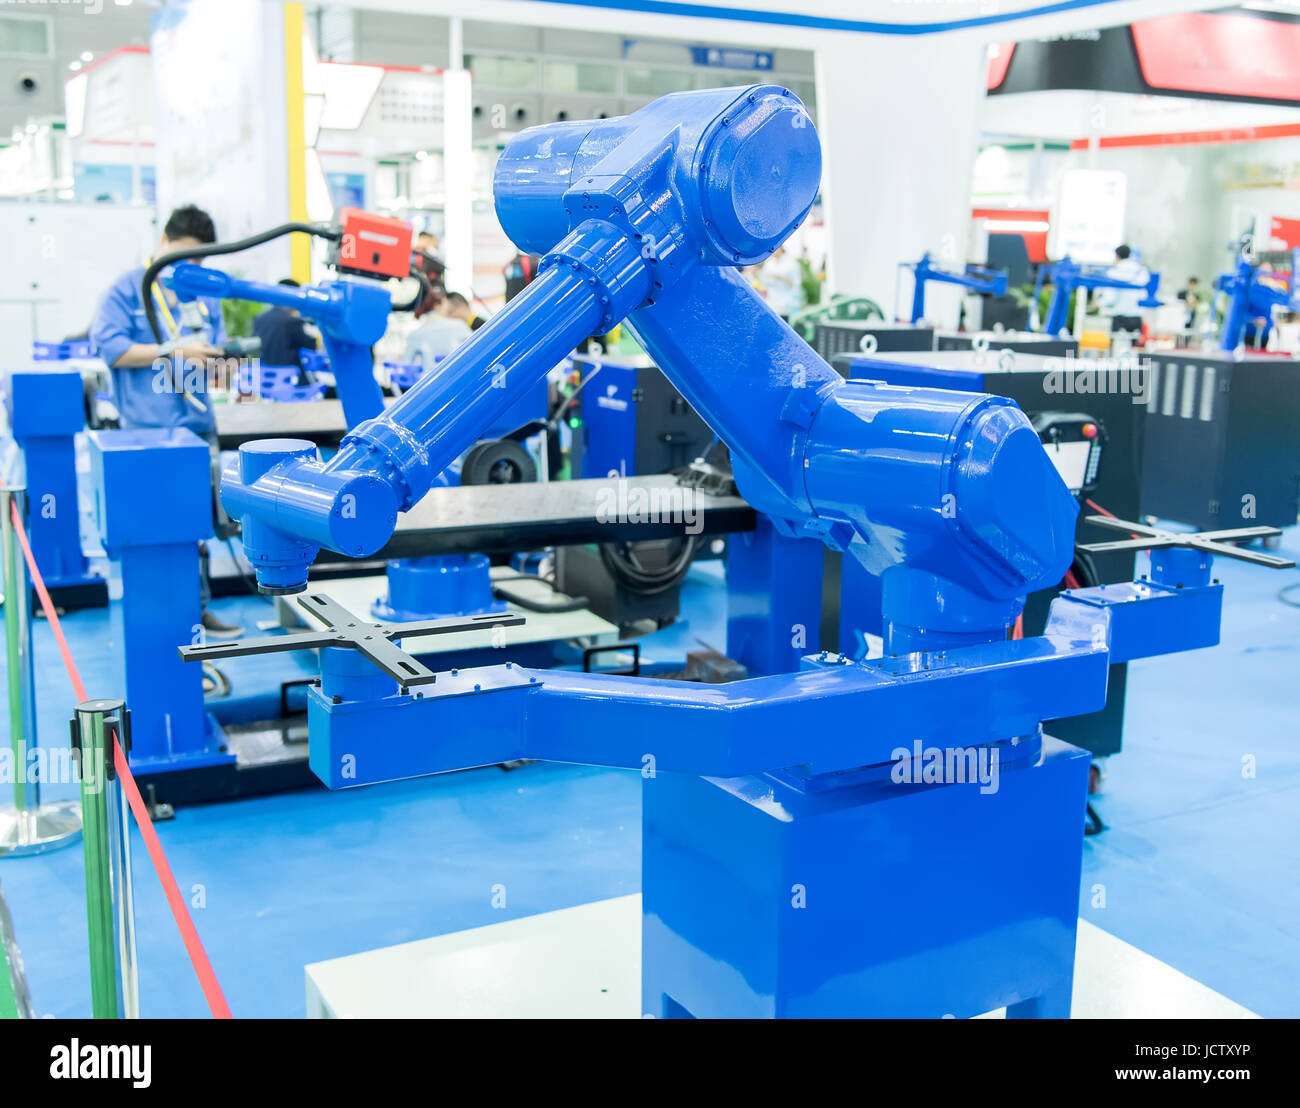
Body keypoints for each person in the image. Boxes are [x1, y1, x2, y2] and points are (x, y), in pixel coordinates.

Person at [88, 204, 243, 639]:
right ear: (164, 243)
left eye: (200, 260)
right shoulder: (126, 289)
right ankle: (164, 622)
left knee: (198, 525)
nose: (190, 267)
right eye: (184, 256)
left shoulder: (202, 294)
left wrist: (223, 367)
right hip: (148, 434)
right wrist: (169, 352)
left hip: (197, 426)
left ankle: (198, 612)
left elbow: (212, 352)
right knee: (157, 528)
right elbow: (112, 350)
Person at [251, 278, 319, 374]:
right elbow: (312, 346)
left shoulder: (259, 319)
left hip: (265, 378)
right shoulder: (292, 322)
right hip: (290, 380)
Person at [404, 292, 473, 366]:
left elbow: (407, 367)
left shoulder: (413, 335)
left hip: (428, 377)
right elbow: (472, 353)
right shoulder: (459, 326)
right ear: (437, 306)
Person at [1101, 244, 1151, 337]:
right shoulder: (1141, 271)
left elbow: (1110, 298)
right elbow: (1144, 295)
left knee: (1117, 349)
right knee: (1135, 349)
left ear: (1117, 256)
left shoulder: (1114, 272)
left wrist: (1098, 303)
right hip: (1136, 318)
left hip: (1120, 319)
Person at [758, 244, 804, 322]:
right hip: (771, 299)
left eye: (776, 249)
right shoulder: (769, 263)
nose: (774, 252)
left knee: (783, 322)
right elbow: (764, 279)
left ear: (781, 249)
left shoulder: (791, 263)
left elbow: (796, 283)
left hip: (785, 301)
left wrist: (782, 279)